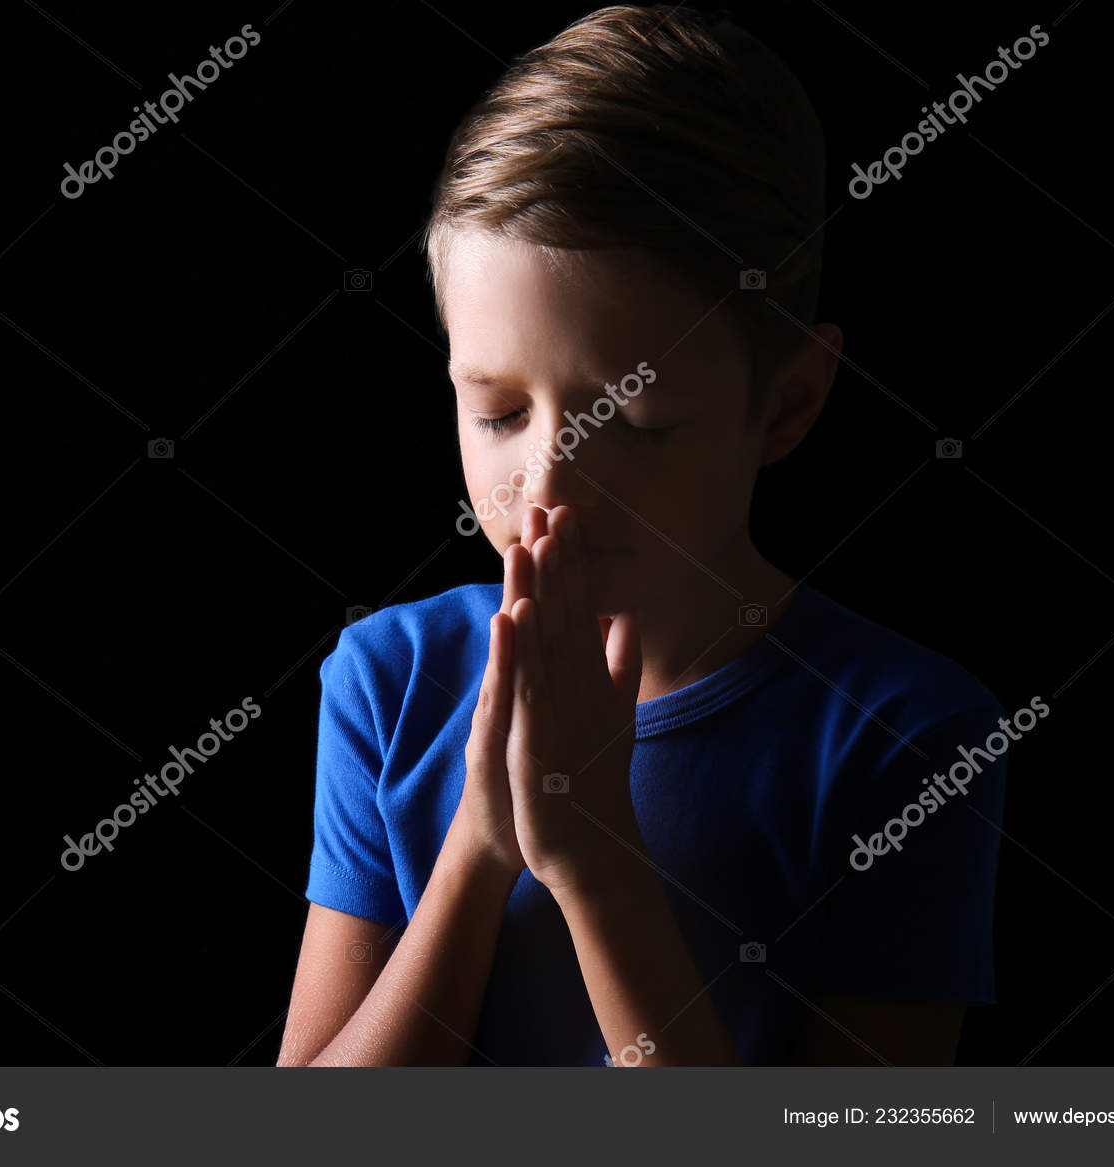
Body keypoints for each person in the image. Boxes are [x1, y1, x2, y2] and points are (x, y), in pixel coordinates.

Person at [278, 4, 1008, 1066]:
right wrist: (479, 848)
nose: (547, 486)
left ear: (789, 402)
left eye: (632, 420)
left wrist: (596, 859)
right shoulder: (390, 680)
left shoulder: (904, 737)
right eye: (496, 412)